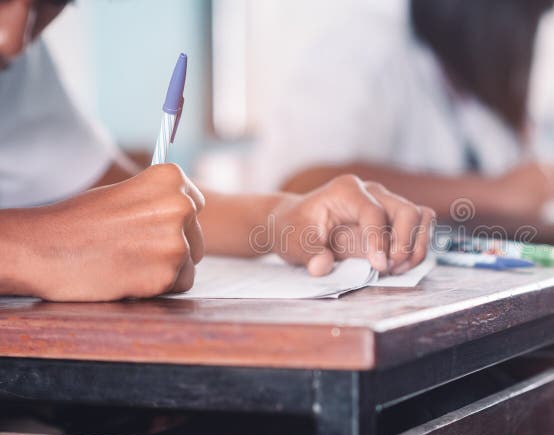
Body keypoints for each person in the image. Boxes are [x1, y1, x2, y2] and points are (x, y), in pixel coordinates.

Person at [0, 0, 434, 302]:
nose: (12, 39)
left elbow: (120, 201)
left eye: (54, 1)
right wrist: (32, 248)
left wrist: (282, 219)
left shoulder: (18, 74)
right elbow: (78, 230)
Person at [251, 0, 554, 220]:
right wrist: (494, 194)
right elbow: (306, 185)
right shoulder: (366, 45)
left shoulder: (463, 87)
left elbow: (520, 179)